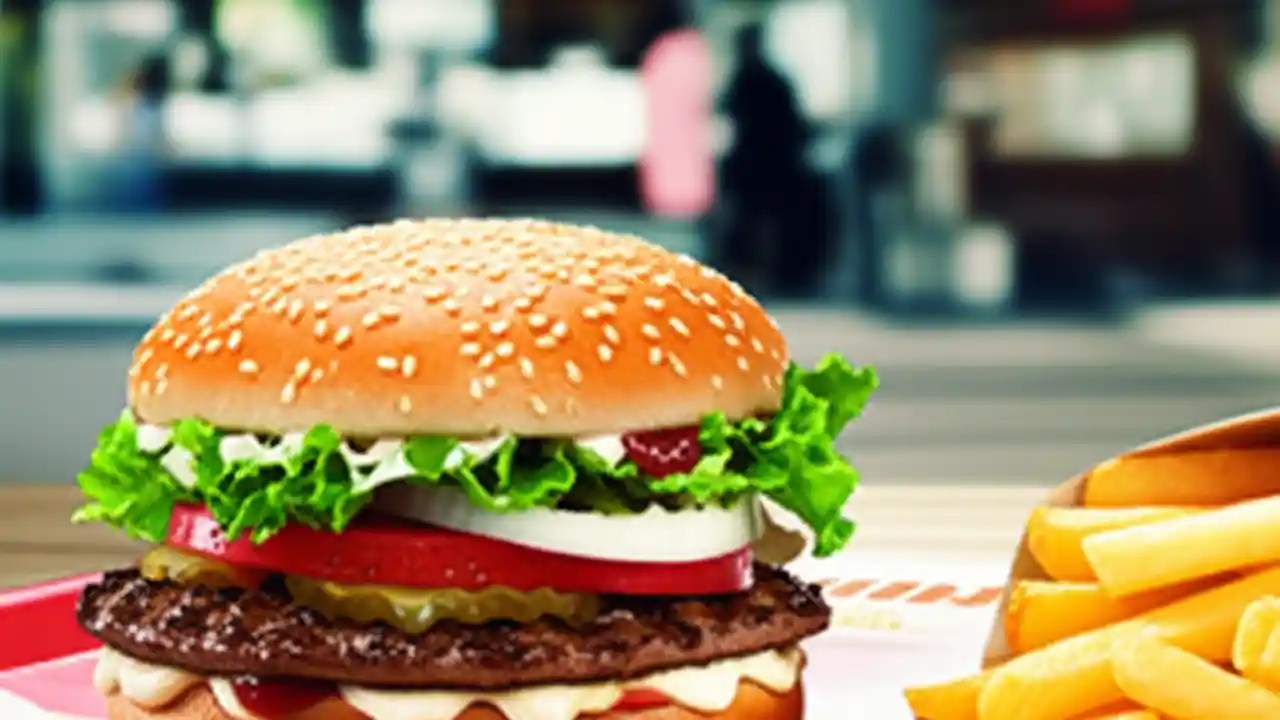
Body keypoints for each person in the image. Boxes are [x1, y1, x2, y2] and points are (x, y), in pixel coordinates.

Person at [716, 23, 822, 297]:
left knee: (753, 220)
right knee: (764, 221)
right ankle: (764, 271)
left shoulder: (745, 80)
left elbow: (726, 114)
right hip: (772, 162)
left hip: (756, 163)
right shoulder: (772, 80)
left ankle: (754, 271)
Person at [116, 53, 171, 211]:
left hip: (141, 152)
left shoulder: (150, 99)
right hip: (139, 152)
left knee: (144, 192)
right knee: (142, 191)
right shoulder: (138, 97)